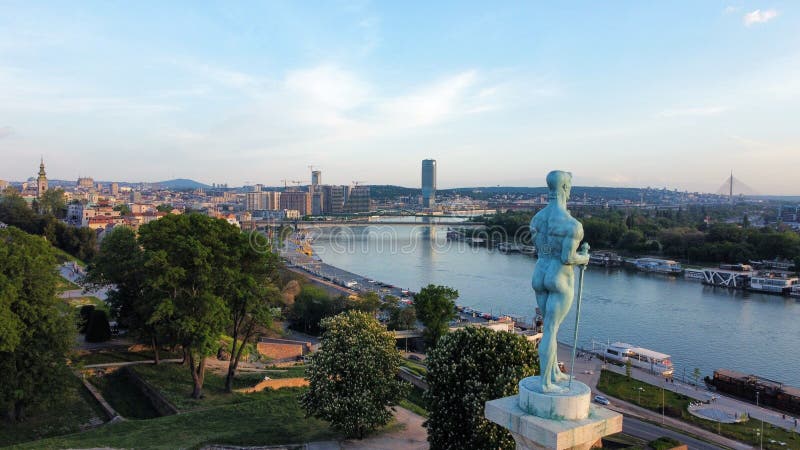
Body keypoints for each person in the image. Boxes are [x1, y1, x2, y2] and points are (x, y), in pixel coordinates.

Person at [531, 170, 590, 393]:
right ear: (566, 188)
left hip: (539, 274)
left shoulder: (536, 219)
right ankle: (545, 383)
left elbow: (539, 249)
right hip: (559, 278)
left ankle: (554, 371)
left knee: (549, 327)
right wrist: (585, 257)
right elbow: (568, 258)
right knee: (551, 330)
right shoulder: (572, 225)